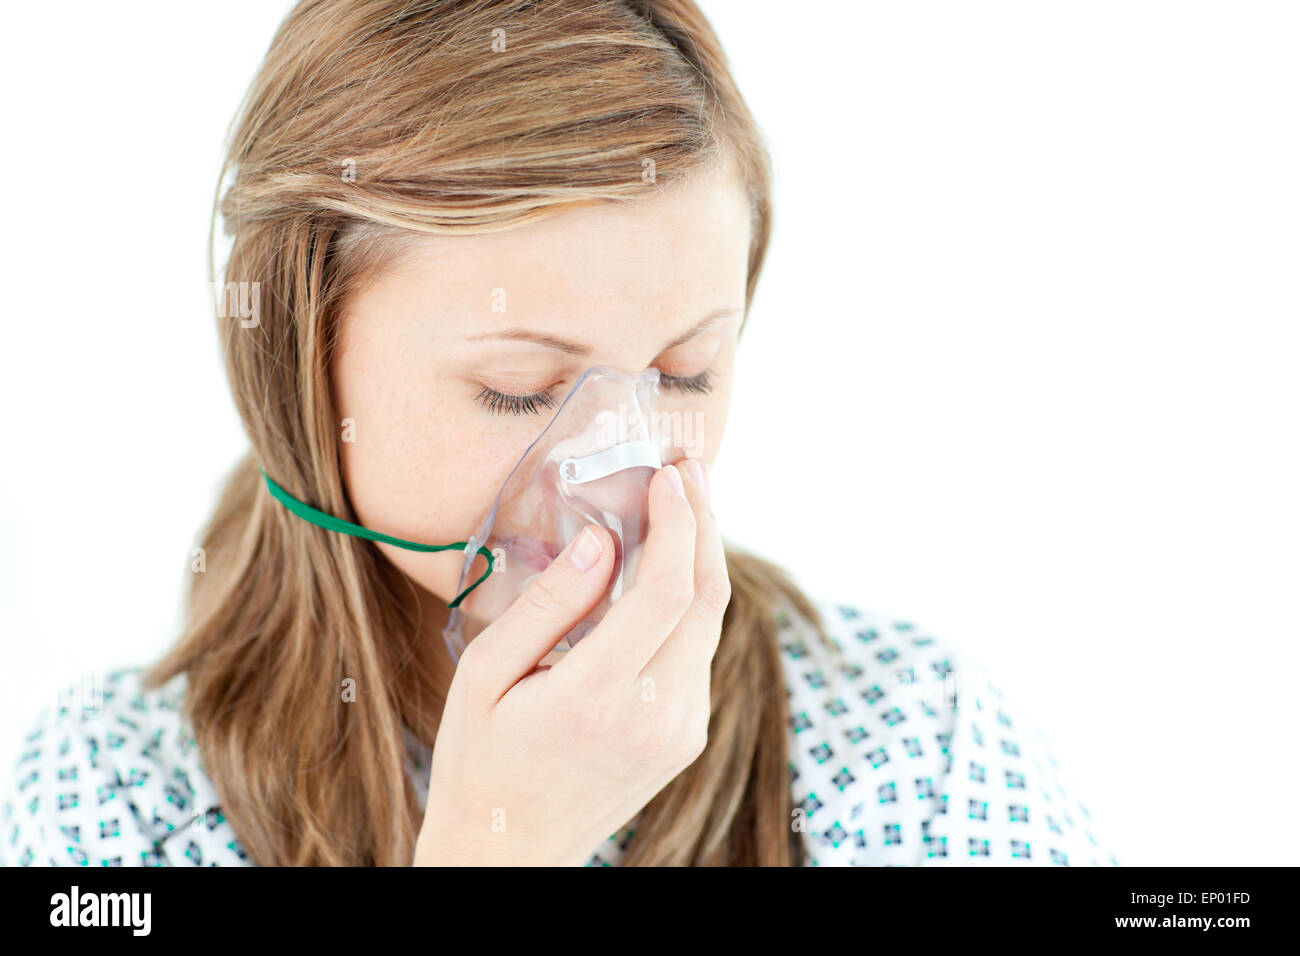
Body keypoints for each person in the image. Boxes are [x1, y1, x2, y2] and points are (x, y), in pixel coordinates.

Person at [0, 0, 1118, 867]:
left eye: (684, 371)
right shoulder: (116, 806)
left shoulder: (914, 750)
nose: (613, 478)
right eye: (520, 390)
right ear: (296, 368)